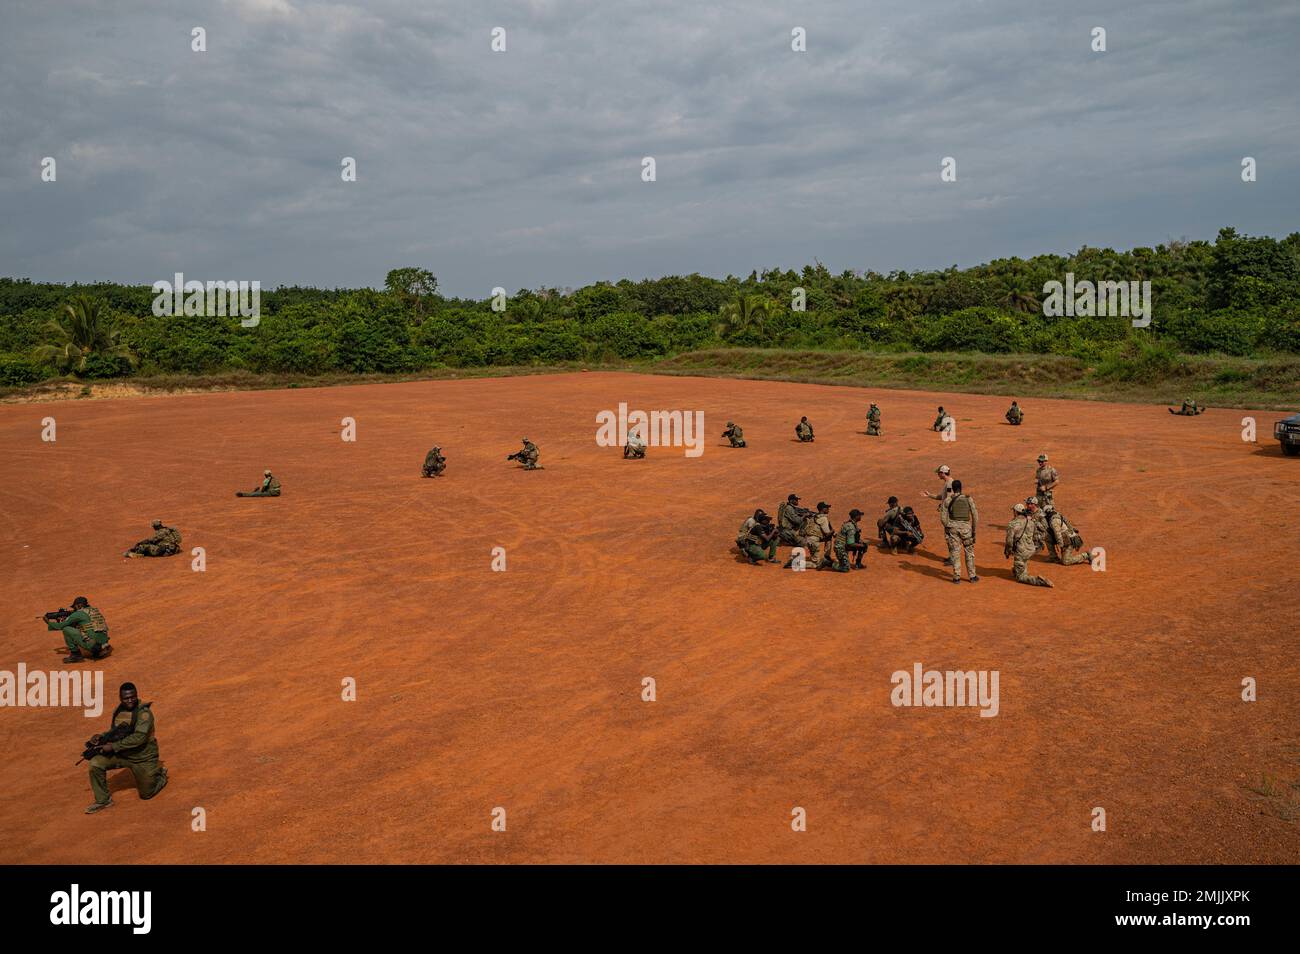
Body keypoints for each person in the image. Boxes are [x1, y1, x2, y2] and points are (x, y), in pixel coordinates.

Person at [84, 682, 168, 814]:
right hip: (123, 754)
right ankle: (103, 800)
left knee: (147, 794)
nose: (130, 700)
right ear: (120, 698)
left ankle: (160, 774)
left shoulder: (144, 714)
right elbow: (116, 732)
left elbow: (139, 738)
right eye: (126, 698)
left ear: (136, 695)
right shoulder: (119, 711)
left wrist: (113, 746)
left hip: (143, 757)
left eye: (132, 697)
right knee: (95, 763)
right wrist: (101, 737)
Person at [46, 596, 110, 664]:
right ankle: (98, 651)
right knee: (87, 630)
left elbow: (60, 626)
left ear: (79, 605)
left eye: (75, 607)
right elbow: (86, 624)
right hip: (104, 642)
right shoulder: (94, 610)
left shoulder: (78, 614)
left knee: (66, 629)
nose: (74, 609)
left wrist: (47, 622)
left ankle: (75, 655)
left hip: (94, 645)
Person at [1005, 503, 1053, 587]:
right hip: (1031, 549)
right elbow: (1037, 532)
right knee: (1021, 563)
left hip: (1021, 552)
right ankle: (1017, 569)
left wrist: (1008, 551)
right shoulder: (1030, 521)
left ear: (1016, 512)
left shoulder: (1013, 524)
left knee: (1021, 577)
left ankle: (1039, 581)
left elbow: (1009, 541)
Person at [940, 479, 978, 583]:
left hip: (953, 528)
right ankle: (972, 576)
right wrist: (973, 530)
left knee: (955, 552)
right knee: (969, 552)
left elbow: (943, 517)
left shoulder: (948, 500)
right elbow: (975, 516)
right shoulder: (968, 499)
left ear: (952, 488)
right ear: (961, 487)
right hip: (966, 529)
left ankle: (956, 577)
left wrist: (948, 526)